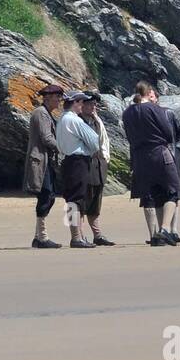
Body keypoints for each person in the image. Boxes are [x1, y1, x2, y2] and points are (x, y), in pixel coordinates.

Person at [123, 81, 180, 246]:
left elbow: (128, 135)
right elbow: (167, 131)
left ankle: (157, 236)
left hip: (139, 156)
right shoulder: (154, 108)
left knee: (154, 195)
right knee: (172, 192)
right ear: (149, 92)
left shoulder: (127, 112)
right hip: (159, 153)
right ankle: (164, 229)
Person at [55, 91, 100, 248]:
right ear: (76, 102)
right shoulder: (74, 120)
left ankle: (78, 235)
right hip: (77, 161)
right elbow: (94, 141)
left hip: (68, 161)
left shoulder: (62, 119)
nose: (83, 106)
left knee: (72, 199)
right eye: (82, 102)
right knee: (76, 199)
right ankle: (76, 237)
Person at [24, 84, 63, 249]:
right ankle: (42, 237)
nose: (59, 100)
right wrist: (64, 147)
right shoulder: (41, 113)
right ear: (47, 97)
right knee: (46, 195)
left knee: (48, 196)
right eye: (57, 97)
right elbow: (47, 138)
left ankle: (37, 237)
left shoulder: (46, 113)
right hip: (40, 161)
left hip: (45, 161)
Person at [81, 92, 115, 245]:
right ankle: (77, 235)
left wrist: (105, 159)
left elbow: (103, 141)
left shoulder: (96, 121)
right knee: (78, 203)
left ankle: (97, 234)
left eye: (94, 104)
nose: (93, 107)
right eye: (90, 104)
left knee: (95, 203)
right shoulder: (77, 121)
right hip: (83, 166)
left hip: (98, 165)